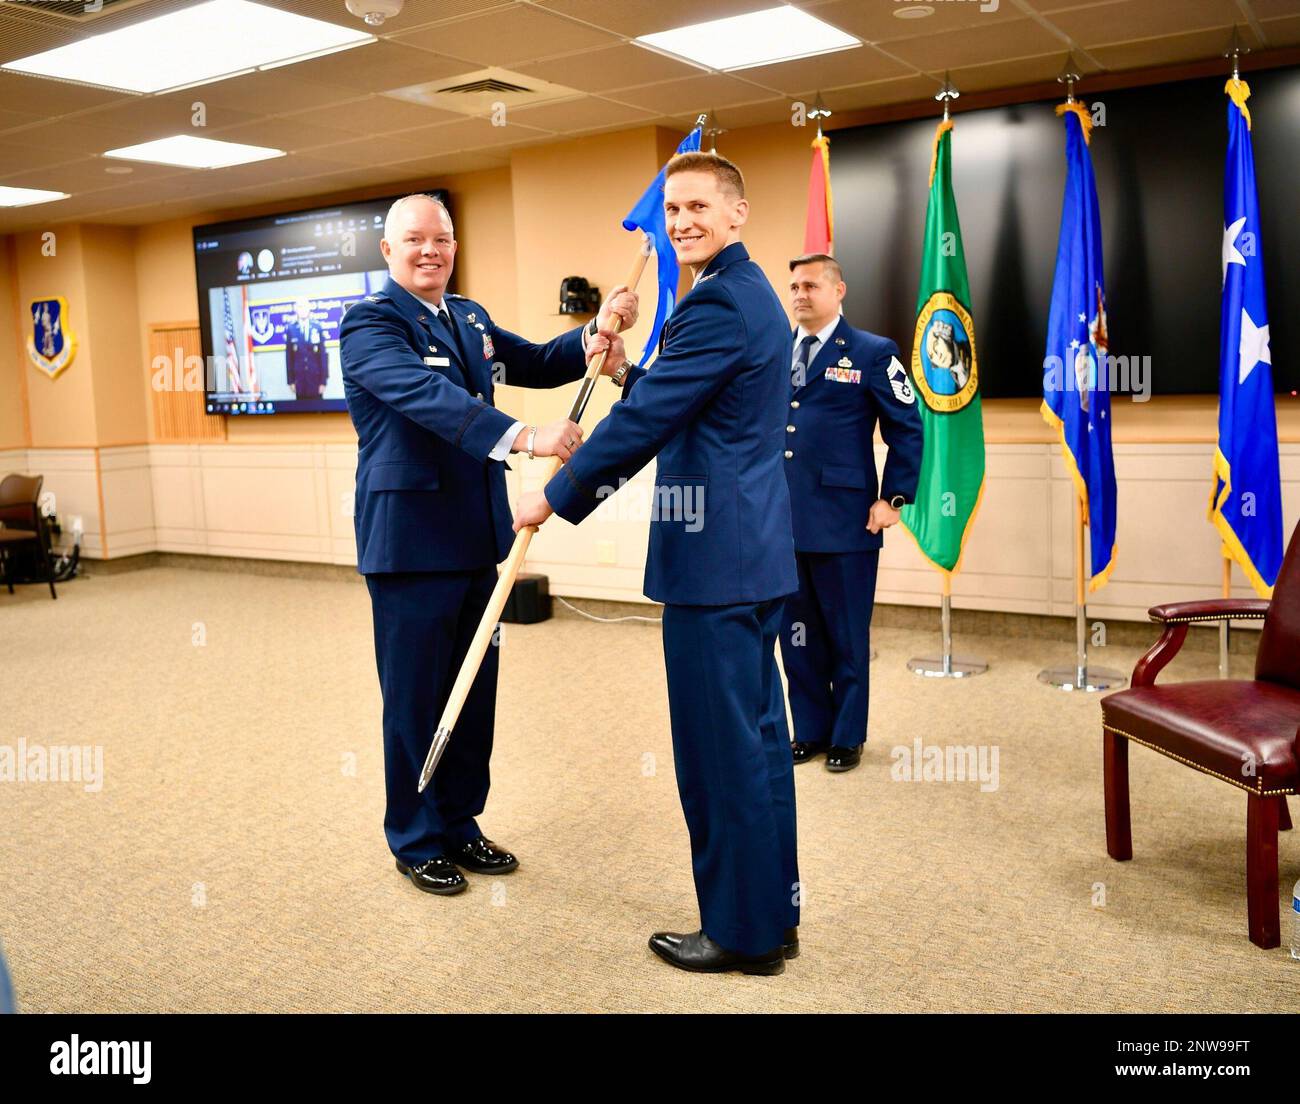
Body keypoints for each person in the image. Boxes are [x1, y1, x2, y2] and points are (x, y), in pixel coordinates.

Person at [513, 153, 799, 975]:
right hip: (749, 559)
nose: (679, 223)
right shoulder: (744, 297)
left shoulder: (717, 303)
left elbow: (643, 428)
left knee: (720, 755)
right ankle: (772, 915)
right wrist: (626, 371)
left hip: (716, 568)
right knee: (757, 745)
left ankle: (740, 935)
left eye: (698, 207)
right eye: (671, 209)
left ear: (738, 214)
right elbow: (690, 403)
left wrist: (556, 496)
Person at [341, 193, 636, 897]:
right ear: (388, 251)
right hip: (409, 546)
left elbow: (534, 359)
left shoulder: (468, 317)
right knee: (416, 699)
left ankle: (460, 821)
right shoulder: (369, 325)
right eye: (413, 240)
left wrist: (593, 332)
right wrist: (525, 436)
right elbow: (421, 395)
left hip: (478, 539)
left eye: (440, 239)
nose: (429, 251)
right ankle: (414, 838)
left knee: (473, 691)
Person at [781, 253, 923, 771]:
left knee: (845, 636)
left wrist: (895, 499)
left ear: (838, 291)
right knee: (796, 636)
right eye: (794, 285)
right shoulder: (778, 351)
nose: (800, 294)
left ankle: (846, 736)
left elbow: (908, 427)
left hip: (847, 521)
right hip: (783, 521)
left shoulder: (872, 351)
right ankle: (810, 730)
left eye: (812, 285)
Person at [285, 296, 329, 399]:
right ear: (296, 310)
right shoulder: (291, 329)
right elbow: (289, 358)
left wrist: (323, 381)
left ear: (309, 308)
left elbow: (323, 356)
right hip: (299, 381)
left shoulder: (317, 328)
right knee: (301, 412)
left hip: (316, 380)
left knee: (318, 412)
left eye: (305, 306)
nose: (302, 309)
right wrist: (290, 381)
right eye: (300, 307)